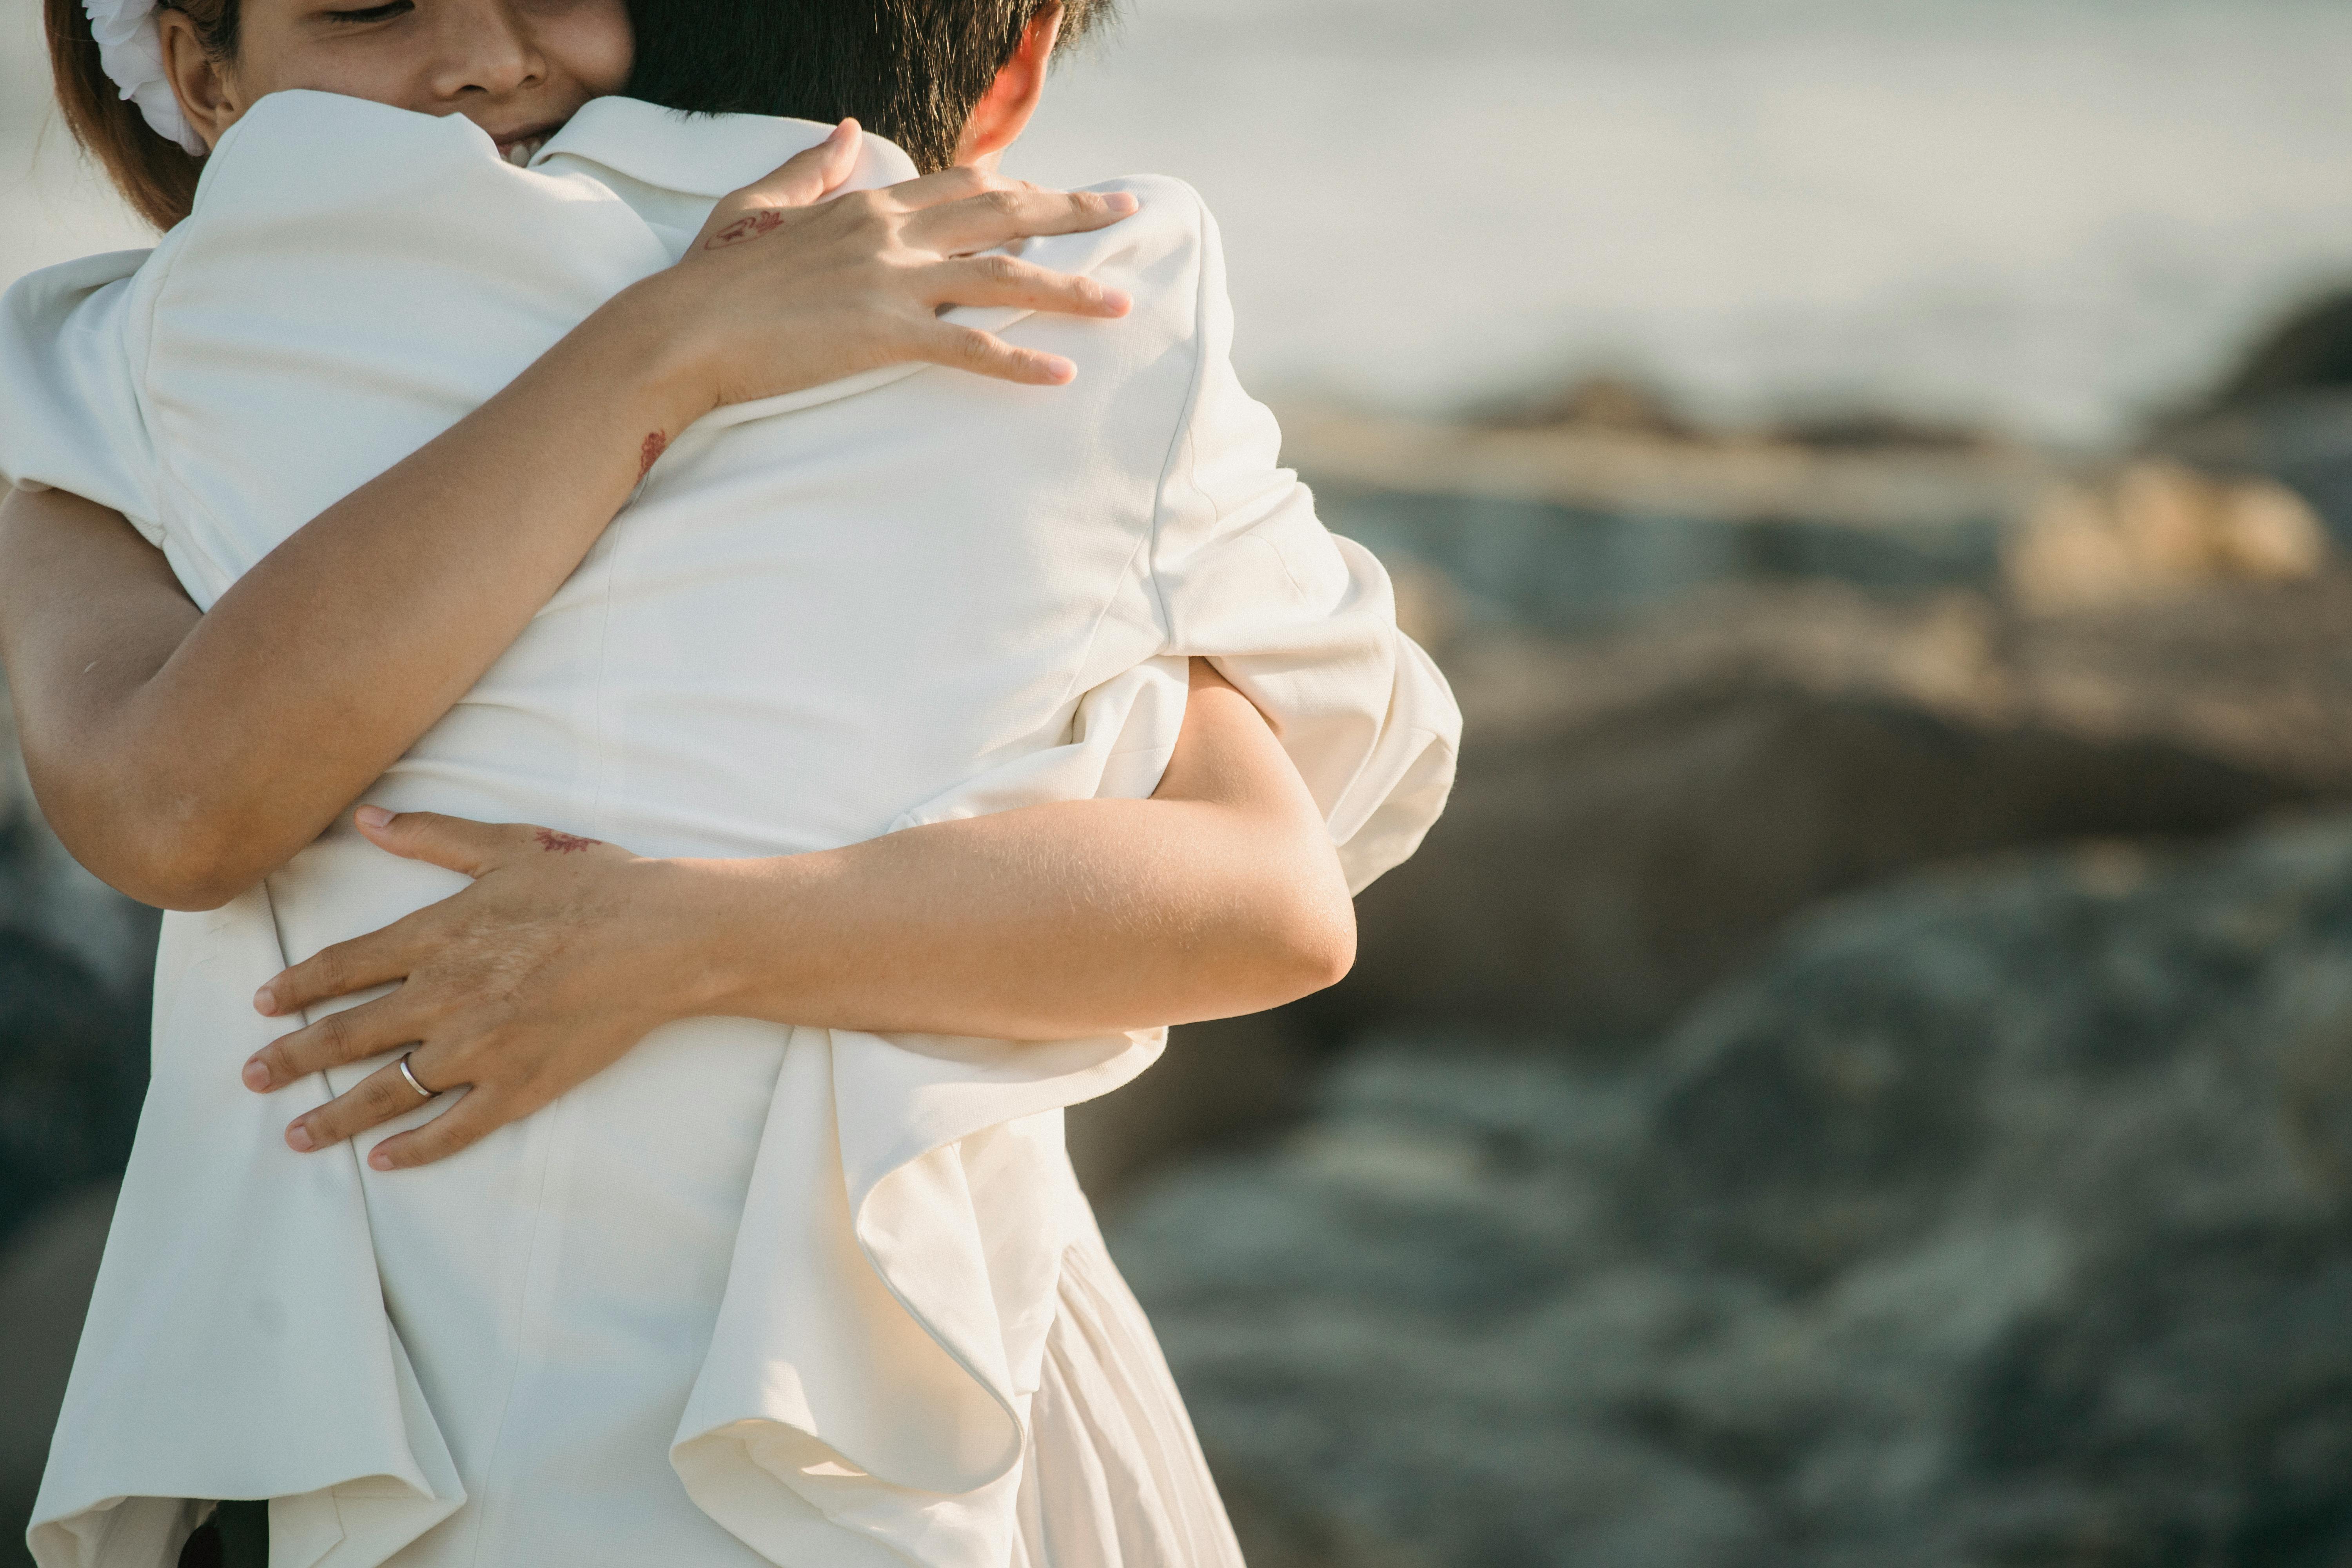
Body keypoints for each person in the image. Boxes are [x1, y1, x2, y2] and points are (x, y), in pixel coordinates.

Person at [0, 3, 1459, 1567]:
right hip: (499, 1400)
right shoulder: (129, 370)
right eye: (374, 4)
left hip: (878, 1373)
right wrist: (670, 348)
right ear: (200, 70)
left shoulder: (940, 312)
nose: (487, 55)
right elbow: (169, 808)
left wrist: (677, 937)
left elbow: (1269, 893)